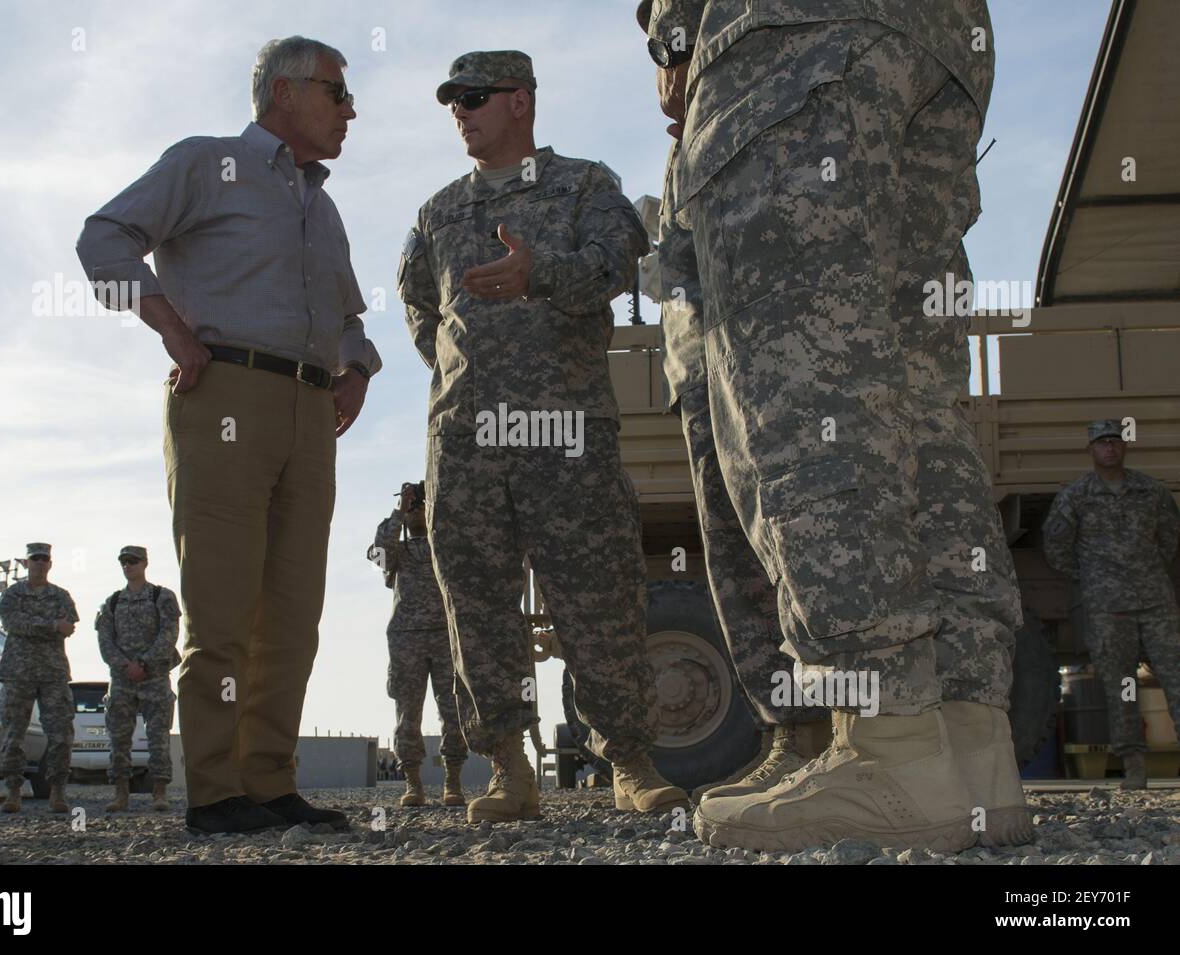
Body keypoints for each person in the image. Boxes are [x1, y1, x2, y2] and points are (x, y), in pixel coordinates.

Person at [638, 0, 1029, 850]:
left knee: (803, 378)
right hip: (937, 32)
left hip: (792, 27)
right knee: (914, 390)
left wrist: (675, 36)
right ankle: (972, 746)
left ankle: (893, 741)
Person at [77, 35, 379, 834]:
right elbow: (103, 239)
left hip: (310, 413)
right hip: (223, 395)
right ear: (285, 92)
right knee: (221, 610)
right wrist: (172, 329)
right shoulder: (206, 164)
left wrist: (356, 368)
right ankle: (213, 791)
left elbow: (350, 316)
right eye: (337, 92)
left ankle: (269, 782)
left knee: (293, 613)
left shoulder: (323, 206)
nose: (350, 110)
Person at [398, 50, 688, 823]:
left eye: (474, 96)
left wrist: (540, 274)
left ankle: (630, 760)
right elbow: (423, 310)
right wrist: (465, 374)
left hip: (567, 429)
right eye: (453, 100)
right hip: (467, 438)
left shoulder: (584, 185)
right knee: (476, 601)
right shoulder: (437, 212)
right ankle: (507, 769)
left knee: (598, 595)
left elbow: (614, 266)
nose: (460, 111)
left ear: (520, 100)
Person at [655, 140, 832, 805]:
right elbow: (672, 269)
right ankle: (793, 735)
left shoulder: (759, 116)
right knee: (734, 561)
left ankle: (856, 733)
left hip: (777, 363)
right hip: (699, 375)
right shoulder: (679, 157)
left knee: (805, 546)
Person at [1043, 419, 1180, 789]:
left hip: (1155, 603)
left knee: (1175, 678)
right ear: (1090, 448)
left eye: (1115, 441)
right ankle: (1134, 766)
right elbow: (1056, 547)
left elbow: (1170, 538)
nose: (1109, 448)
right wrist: (1092, 577)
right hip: (1107, 607)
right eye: (1102, 442)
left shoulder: (1151, 491)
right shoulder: (1076, 496)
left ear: (1125, 446)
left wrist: (1146, 571)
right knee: (1122, 687)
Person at [369, 481, 468, 807]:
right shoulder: (397, 550)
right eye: (412, 505)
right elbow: (379, 553)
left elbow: (465, 541)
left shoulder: (445, 544)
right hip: (406, 638)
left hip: (444, 636)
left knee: (453, 710)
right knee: (407, 714)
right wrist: (399, 511)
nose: (415, 511)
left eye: (420, 504)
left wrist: (438, 506)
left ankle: (453, 780)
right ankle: (413, 782)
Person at [95, 546, 182, 812]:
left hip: (154, 677)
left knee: (158, 736)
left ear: (145, 563)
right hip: (122, 680)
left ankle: (160, 792)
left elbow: (169, 634)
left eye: (133, 561)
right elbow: (105, 640)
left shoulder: (161, 596)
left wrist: (144, 663)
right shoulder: (112, 602)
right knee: (119, 738)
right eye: (123, 561)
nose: (128, 565)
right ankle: (121, 794)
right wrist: (125, 665)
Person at [0, 543, 78, 814]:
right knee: (13, 736)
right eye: (35, 559)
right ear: (26, 563)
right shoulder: (12, 594)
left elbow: (68, 627)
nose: (40, 563)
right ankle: (13, 791)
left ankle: (58, 792)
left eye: (44, 559)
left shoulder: (61, 595)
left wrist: (37, 625)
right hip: (17, 673)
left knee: (61, 735)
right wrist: (51, 625)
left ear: (50, 564)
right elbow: (12, 623)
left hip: (53, 674)